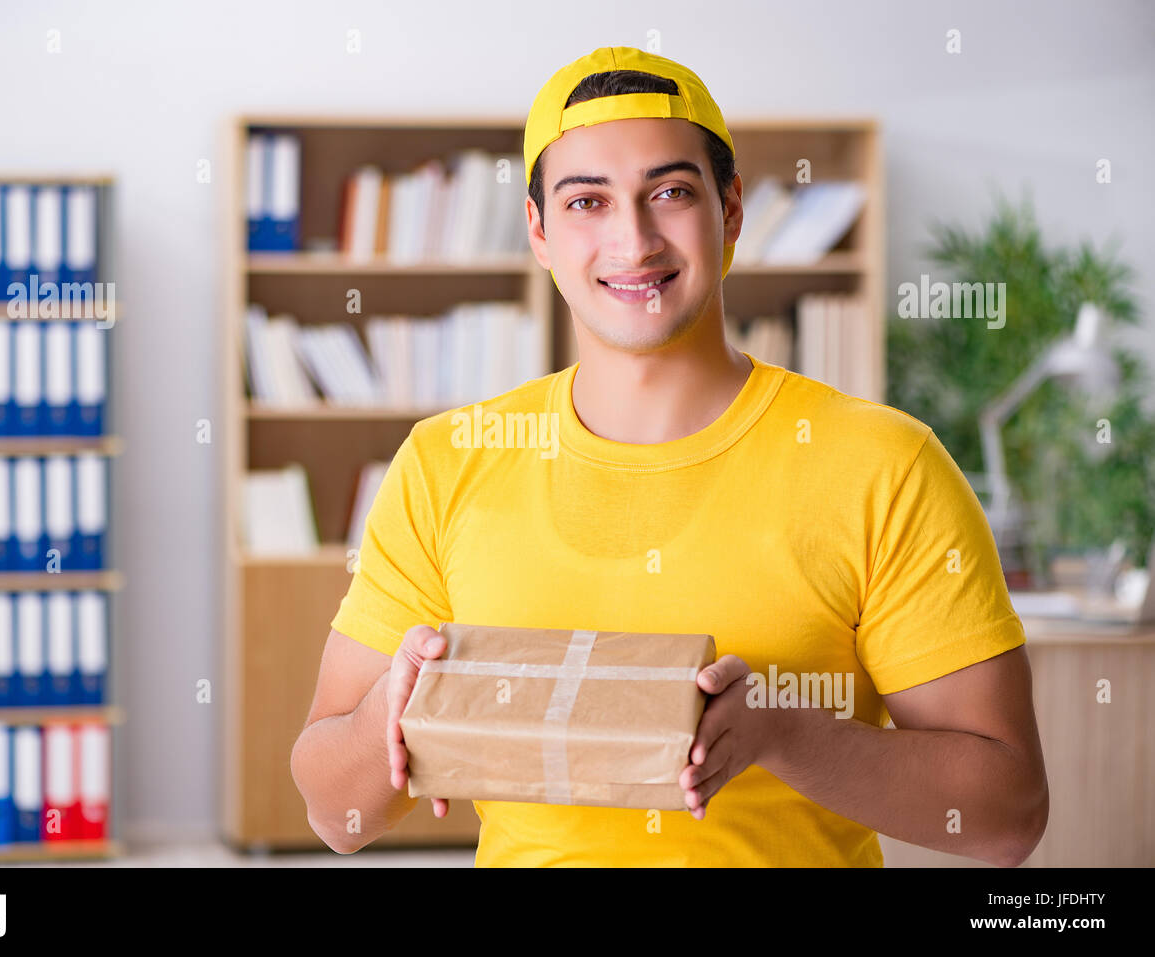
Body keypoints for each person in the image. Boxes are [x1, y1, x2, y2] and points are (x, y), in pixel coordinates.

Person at [290, 46, 1048, 867]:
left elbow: (1006, 816)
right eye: (588, 200)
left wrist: (784, 733)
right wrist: (385, 718)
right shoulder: (447, 463)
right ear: (540, 233)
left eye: (671, 192)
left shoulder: (884, 465)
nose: (634, 237)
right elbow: (338, 817)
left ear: (729, 214)